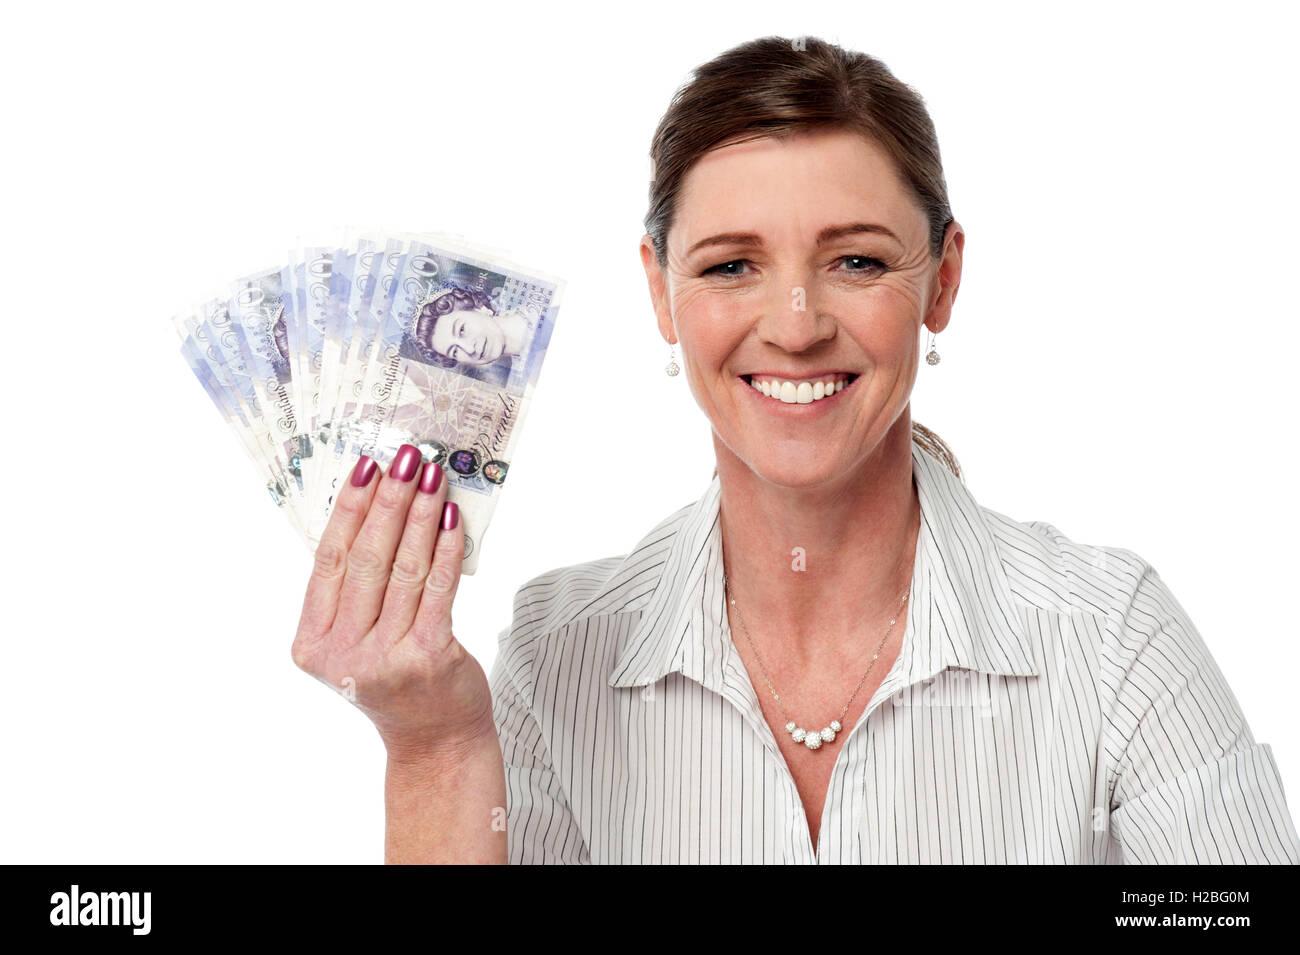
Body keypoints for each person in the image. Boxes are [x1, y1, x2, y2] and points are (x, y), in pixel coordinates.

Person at [290, 35, 1300, 863]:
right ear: (660, 292)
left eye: (856, 259)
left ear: (941, 280)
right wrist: (432, 747)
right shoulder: (557, 657)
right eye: (732, 265)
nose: (797, 322)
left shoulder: (1114, 639)